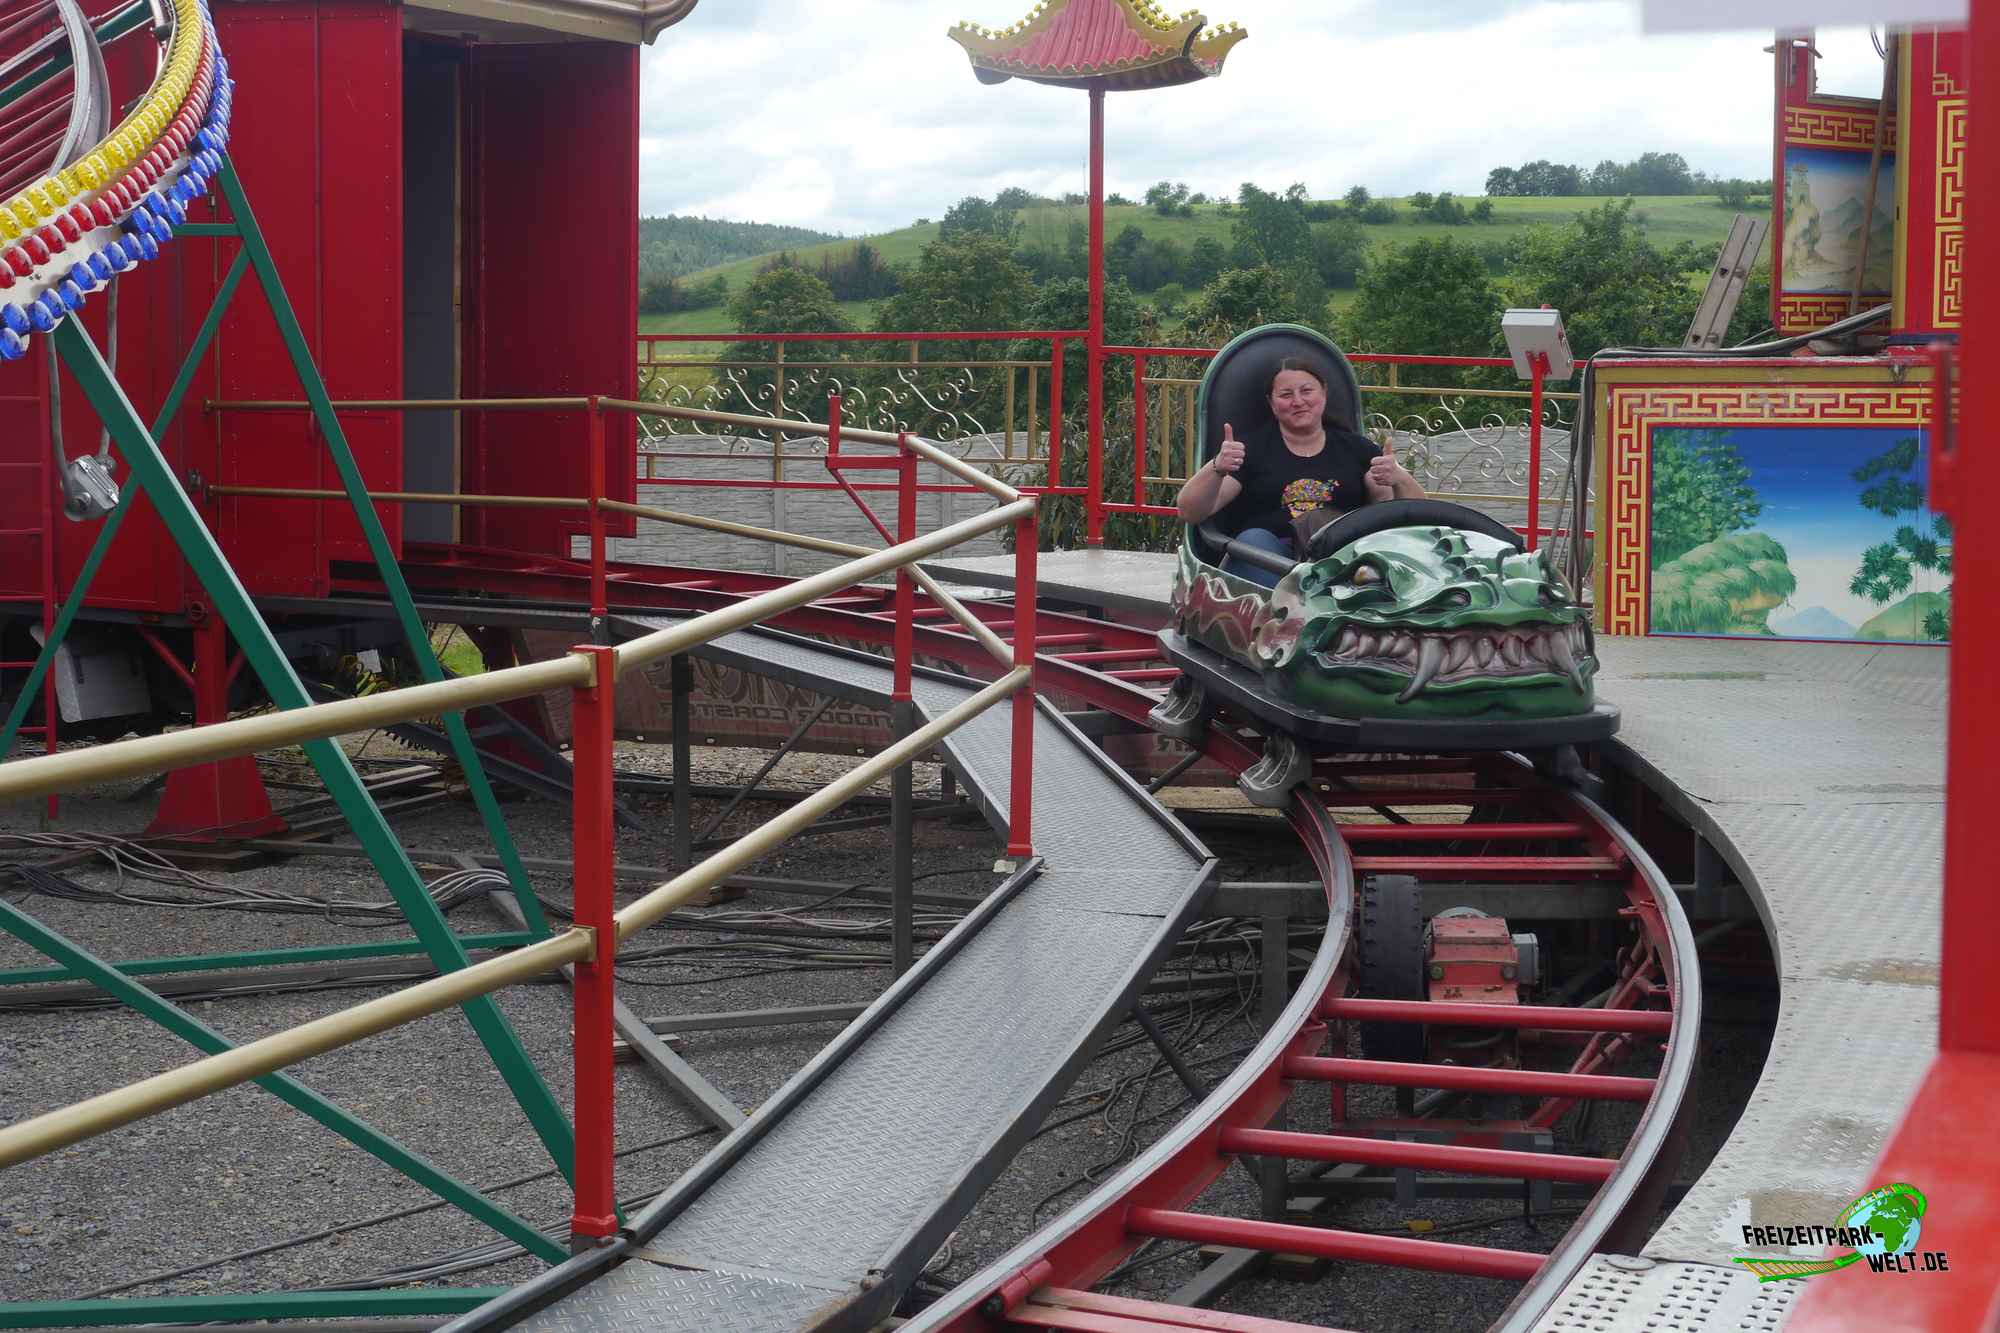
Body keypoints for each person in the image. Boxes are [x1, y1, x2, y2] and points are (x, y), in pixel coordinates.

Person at [1175, 358, 1425, 587]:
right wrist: (1217, 466)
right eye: (1286, 394)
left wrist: (1399, 478)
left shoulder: (1357, 449)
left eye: (1306, 391)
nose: (1298, 401)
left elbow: (1409, 515)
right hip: (1272, 562)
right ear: (1272, 404)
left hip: (1342, 562)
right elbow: (1190, 511)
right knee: (1253, 540)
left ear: (1323, 394)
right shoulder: (1250, 450)